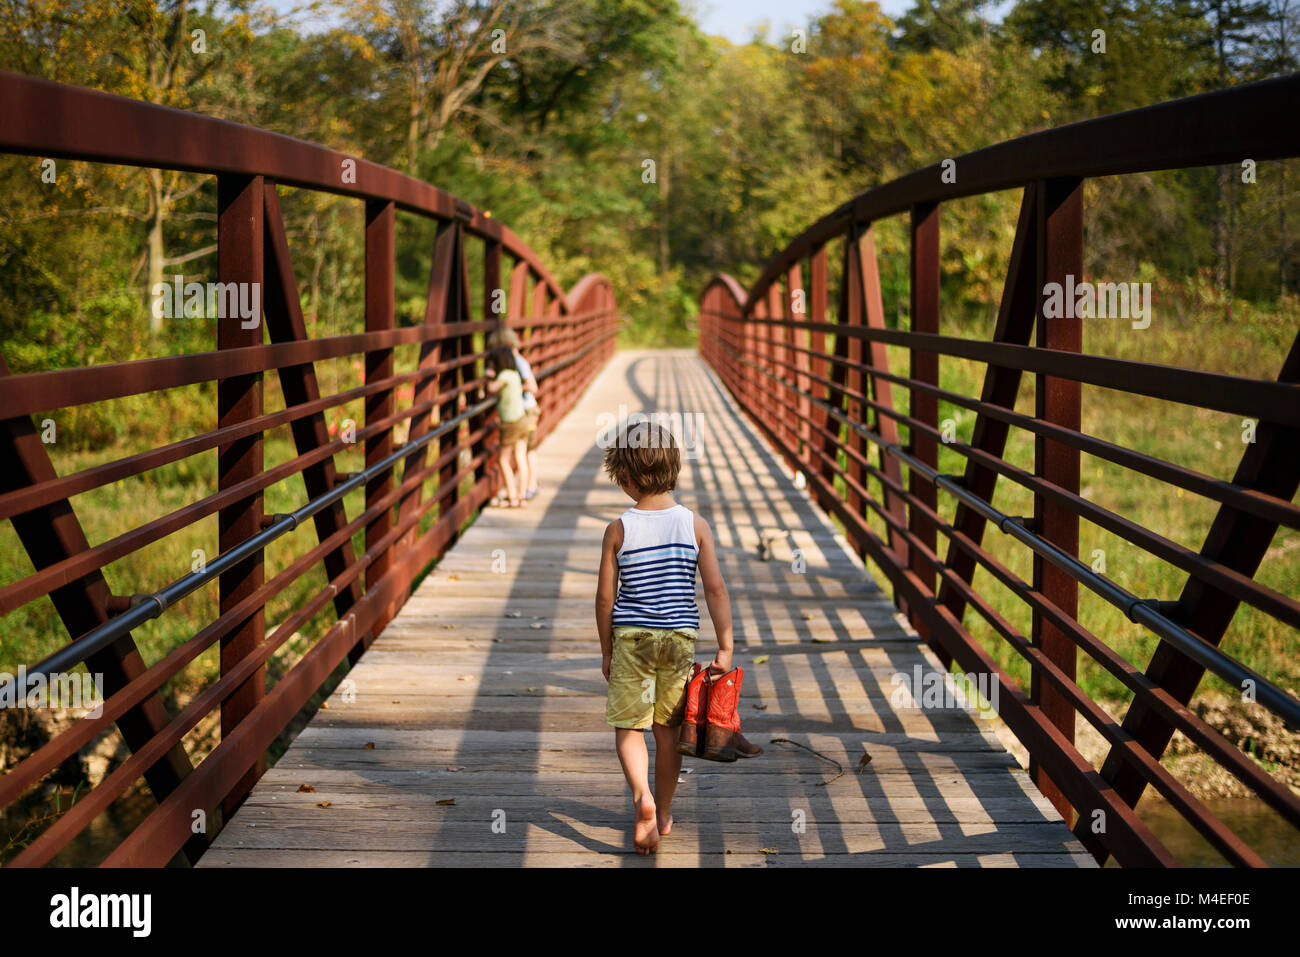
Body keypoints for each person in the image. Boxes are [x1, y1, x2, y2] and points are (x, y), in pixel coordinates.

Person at [594, 421, 734, 854]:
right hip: (678, 640)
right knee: (666, 731)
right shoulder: (695, 525)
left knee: (628, 727)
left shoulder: (619, 529)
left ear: (628, 479)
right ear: (673, 468)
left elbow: (604, 598)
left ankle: (643, 799)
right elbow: (715, 589)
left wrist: (606, 650)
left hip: (632, 639)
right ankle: (667, 810)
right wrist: (725, 644)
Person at [487, 327, 541, 499]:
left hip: (526, 410)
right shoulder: (516, 362)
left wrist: (512, 389)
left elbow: (533, 387)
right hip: (523, 413)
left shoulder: (517, 362)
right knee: (525, 451)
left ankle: (528, 487)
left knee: (527, 450)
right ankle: (526, 489)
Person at [484, 345, 531, 508]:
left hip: (510, 422)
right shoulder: (514, 375)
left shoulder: (503, 375)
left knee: (503, 459)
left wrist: (488, 375)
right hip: (522, 419)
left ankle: (511, 496)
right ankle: (522, 496)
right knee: (520, 457)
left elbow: (491, 389)